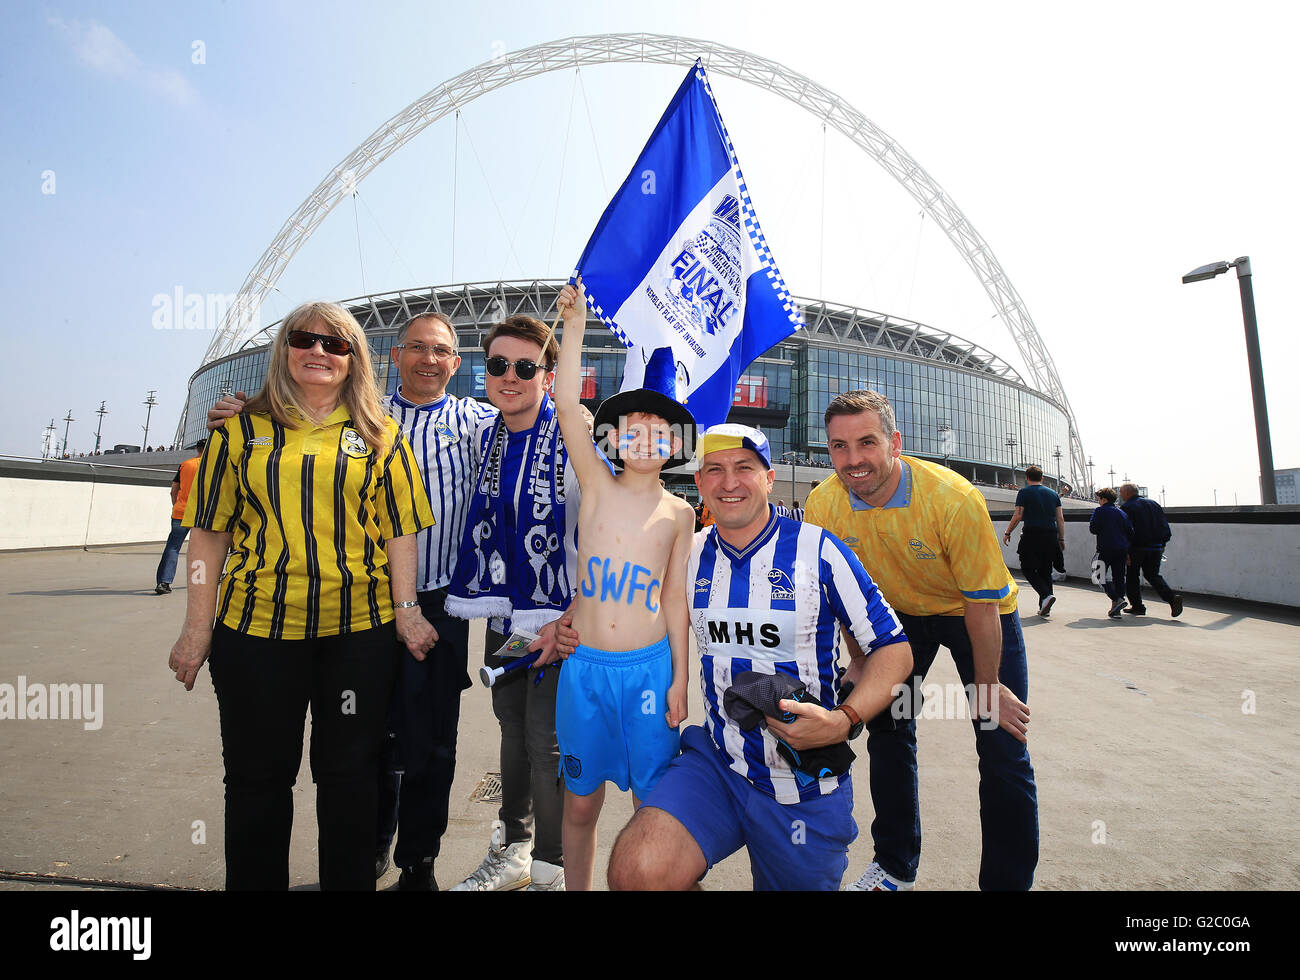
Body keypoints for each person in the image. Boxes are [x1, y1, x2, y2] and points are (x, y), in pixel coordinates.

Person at [207, 311, 499, 891]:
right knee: (371, 749)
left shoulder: (478, 422)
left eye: (441, 351)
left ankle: (419, 864)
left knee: (430, 745)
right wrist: (246, 414)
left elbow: (536, 428)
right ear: (392, 355)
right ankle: (368, 857)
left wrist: (577, 413)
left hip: (436, 603)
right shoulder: (365, 412)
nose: (428, 359)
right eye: (416, 348)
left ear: (456, 363)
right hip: (356, 610)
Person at [169, 301, 437, 890]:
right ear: (285, 350)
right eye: (305, 339)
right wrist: (196, 628)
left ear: (354, 360)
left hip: (356, 640)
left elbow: (400, 532)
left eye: (336, 344)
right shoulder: (238, 433)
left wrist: (408, 612)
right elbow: (207, 537)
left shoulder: (381, 437)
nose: (319, 351)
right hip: (255, 637)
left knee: (349, 779)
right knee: (256, 780)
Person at [591, 424, 913, 890]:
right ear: (698, 483)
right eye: (714, 470)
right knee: (638, 870)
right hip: (720, 764)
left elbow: (894, 650)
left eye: (744, 468)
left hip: (803, 784)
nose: (728, 482)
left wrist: (844, 719)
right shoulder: (687, 554)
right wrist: (565, 623)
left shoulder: (819, 550)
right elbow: (616, 595)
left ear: (769, 478)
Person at [803, 390, 1037, 891]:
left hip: (973, 617)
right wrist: (863, 659)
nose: (853, 459)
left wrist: (987, 685)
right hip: (901, 618)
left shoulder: (953, 499)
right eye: (839, 446)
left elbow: (981, 605)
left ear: (895, 442)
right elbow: (841, 593)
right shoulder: (823, 503)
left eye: (867, 442)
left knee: (1001, 744)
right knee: (888, 728)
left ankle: (1008, 883)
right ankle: (894, 867)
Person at [547, 282, 695, 890]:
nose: (643, 438)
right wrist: (576, 325)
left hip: (650, 672)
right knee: (580, 805)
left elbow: (675, 598)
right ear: (609, 438)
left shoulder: (680, 514)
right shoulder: (596, 482)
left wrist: (682, 678)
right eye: (631, 428)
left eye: (658, 430)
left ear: (676, 446)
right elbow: (561, 399)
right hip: (584, 670)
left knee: (648, 808)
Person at [443, 312, 584, 892]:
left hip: (560, 615)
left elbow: (606, 524)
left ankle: (554, 866)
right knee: (509, 726)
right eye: (497, 364)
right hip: (502, 609)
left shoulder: (576, 433)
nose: (509, 376)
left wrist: (577, 613)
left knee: (545, 739)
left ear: (548, 375)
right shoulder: (481, 432)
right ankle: (515, 850)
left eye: (524, 367)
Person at [1003, 464, 1066, 617]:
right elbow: (1060, 518)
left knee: (1027, 568)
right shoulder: (1053, 494)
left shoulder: (1024, 493)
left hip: (1032, 534)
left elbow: (1018, 515)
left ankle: (1046, 595)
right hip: (1051, 535)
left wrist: (1008, 532)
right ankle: (1045, 607)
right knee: (1046, 570)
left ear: (1027, 478)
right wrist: (1061, 538)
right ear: (1042, 478)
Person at [1119, 483, 1183, 618]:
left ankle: (1137, 606)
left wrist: (1126, 551)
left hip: (1136, 548)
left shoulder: (1127, 507)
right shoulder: (1154, 504)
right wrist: (1163, 543)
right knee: (1152, 575)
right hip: (1156, 547)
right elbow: (1164, 524)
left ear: (1127, 493)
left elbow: (1126, 531)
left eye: (1121, 492)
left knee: (1132, 577)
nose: (1120, 495)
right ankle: (1171, 598)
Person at [153, 439, 205, 594]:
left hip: (181, 512)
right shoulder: (212, 465)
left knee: (173, 547)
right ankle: (199, 581)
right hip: (202, 514)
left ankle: (164, 582)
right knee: (201, 550)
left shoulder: (185, 465)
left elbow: (174, 489)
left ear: (197, 449)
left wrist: (176, 505)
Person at [1090, 487, 1133, 619]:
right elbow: (1130, 532)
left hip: (1105, 548)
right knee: (1119, 577)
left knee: (1097, 574)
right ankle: (1117, 607)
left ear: (1104, 499)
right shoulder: (1122, 513)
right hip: (1122, 549)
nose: (1098, 501)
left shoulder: (1099, 511)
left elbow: (1093, 528)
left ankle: (1116, 599)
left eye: (1099, 499)